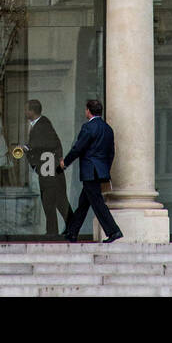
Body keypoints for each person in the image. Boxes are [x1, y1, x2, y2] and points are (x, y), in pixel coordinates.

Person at [60, 98, 123, 244]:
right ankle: (72, 233)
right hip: (100, 171)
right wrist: (105, 170)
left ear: (88, 111)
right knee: (84, 203)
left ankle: (114, 231)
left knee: (97, 203)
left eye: (85, 109)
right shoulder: (108, 129)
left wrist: (65, 163)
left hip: (90, 171)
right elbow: (111, 153)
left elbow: (78, 148)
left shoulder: (88, 128)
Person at [23, 99, 71, 237]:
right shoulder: (42, 124)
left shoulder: (42, 125)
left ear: (32, 111)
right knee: (56, 200)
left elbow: (42, 144)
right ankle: (61, 229)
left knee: (52, 200)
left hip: (49, 167)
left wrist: (26, 148)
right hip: (48, 167)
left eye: (27, 110)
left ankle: (55, 230)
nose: (25, 112)